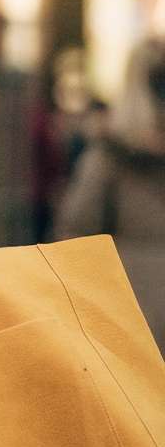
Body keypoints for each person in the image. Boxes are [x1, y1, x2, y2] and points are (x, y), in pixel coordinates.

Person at [54, 36, 165, 344]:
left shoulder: (110, 155)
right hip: (133, 306)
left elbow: (75, 234)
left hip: (130, 311)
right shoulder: (112, 155)